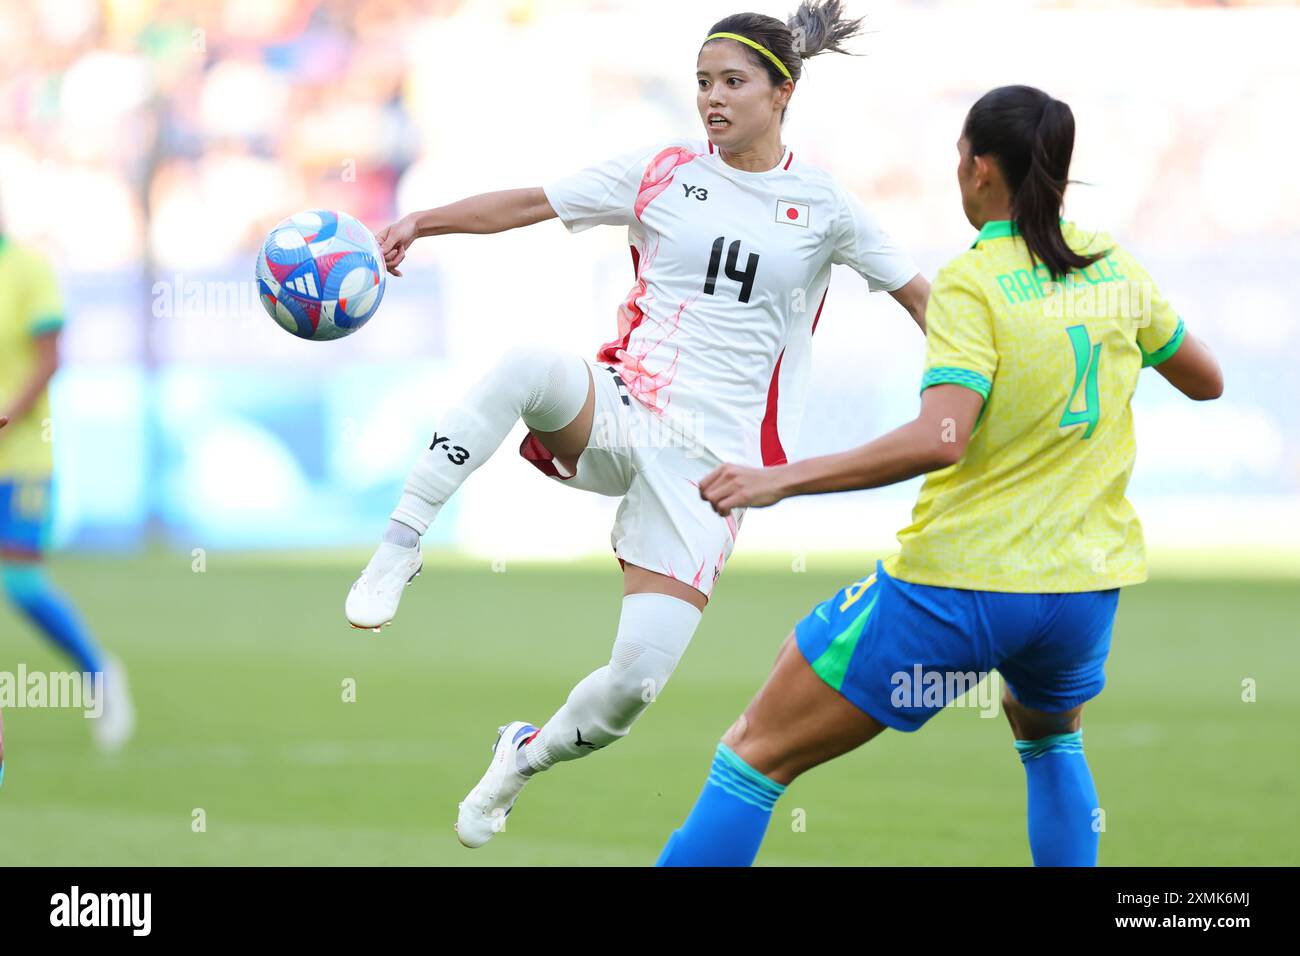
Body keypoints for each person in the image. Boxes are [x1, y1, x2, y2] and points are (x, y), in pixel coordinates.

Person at [349, 0, 931, 848]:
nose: (712, 98)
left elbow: (922, 301)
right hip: (624, 408)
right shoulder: (664, 170)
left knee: (631, 691)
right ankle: (400, 543)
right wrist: (421, 221)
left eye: (732, 82)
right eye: (703, 82)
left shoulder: (826, 206)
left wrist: (988, 379)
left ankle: (520, 759)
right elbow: (532, 203)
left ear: (782, 93)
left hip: (714, 470)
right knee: (527, 364)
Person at [657, 84, 1224, 867]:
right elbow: (1206, 380)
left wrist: (778, 480)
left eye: (961, 156)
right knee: (1050, 737)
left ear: (981, 168)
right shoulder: (1112, 265)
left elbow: (942, 437)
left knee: (756, 750)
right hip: (1081, 591)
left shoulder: (973, 279)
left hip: (964, 587)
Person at [0, 223, 135, 752]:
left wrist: (8, 415)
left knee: (21, 582)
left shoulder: (28, 268)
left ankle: (98, 674)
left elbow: (49, 356)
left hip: (22, 459)